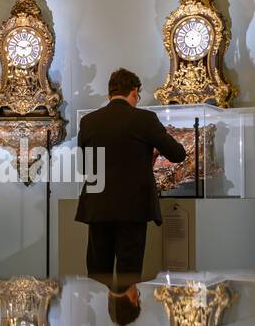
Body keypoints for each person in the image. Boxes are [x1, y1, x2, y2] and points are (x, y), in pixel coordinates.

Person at [75, 68, 186, 282]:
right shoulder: (145, 119)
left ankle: (101, 313)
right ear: (134, 92)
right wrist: (149, 157)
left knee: (99, 275)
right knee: (129, 275)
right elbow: (178, 154)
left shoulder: (89, 121)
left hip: (98, 208)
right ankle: (127, 313)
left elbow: (84, 165)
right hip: (133, 209)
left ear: (110, 94)